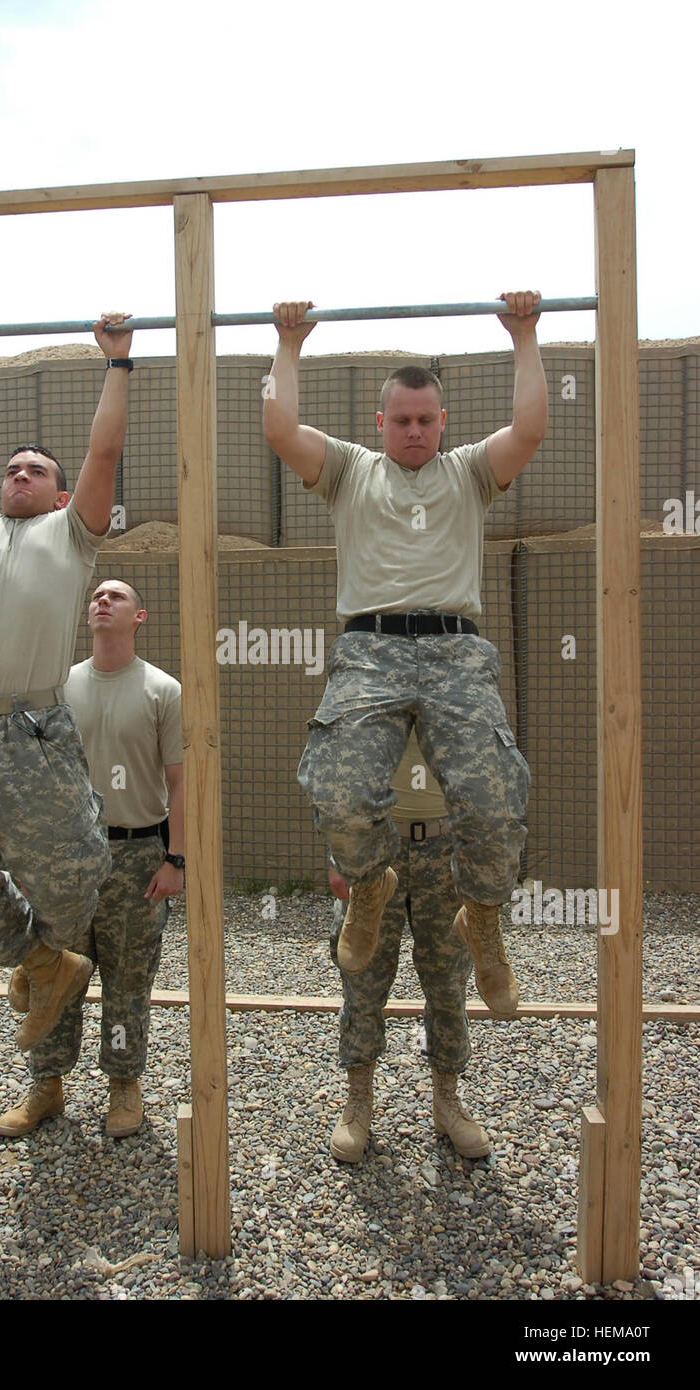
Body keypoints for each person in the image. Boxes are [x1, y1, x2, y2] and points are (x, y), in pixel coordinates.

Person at [264, 293, 544, 1017]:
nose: (414, 430)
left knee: (493, 800)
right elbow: (280, 428)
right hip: (370, 650)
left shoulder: (468, 472)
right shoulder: (352, 470)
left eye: (426, 420)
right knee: (338, 791)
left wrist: (525, 336)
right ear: (379, 422)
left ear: (441, 422)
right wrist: (288, 343)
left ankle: (480, 916)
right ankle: (367, 885)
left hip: (455, 653)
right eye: (402, 419)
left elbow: (530, 428)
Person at [0, 312, 134, 1056]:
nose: (19, 476)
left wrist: (118, 364)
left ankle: (50, 967)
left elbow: (104, 450)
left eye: (37, 470)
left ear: (62, 496)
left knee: (72, 867)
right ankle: (42, 963)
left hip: (32, 730)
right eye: (11, 468)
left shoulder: (73, 536)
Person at [0, 578, 185, 1138]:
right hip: (67, 856)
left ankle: (124, 1087)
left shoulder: (163, 690)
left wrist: (176, 859)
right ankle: (46, 1086)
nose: (102, 601)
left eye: (116, 597)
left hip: (137, 855)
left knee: (129, 979)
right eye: (96, 596)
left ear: (140, 616)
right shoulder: (58, 687)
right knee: (57, 972)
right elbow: (35, 781)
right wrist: (30, 863)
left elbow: (180, 782)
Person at [328, 730, 487, 1163]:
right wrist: (340, 853)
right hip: (379, 847)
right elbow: (338, 757)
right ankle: (358, 1101)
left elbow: (488, 763)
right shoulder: (371, 672)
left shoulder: (458, 675)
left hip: (447, 848)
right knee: (363, 980)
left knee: (449, 981)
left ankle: (447, 1102)